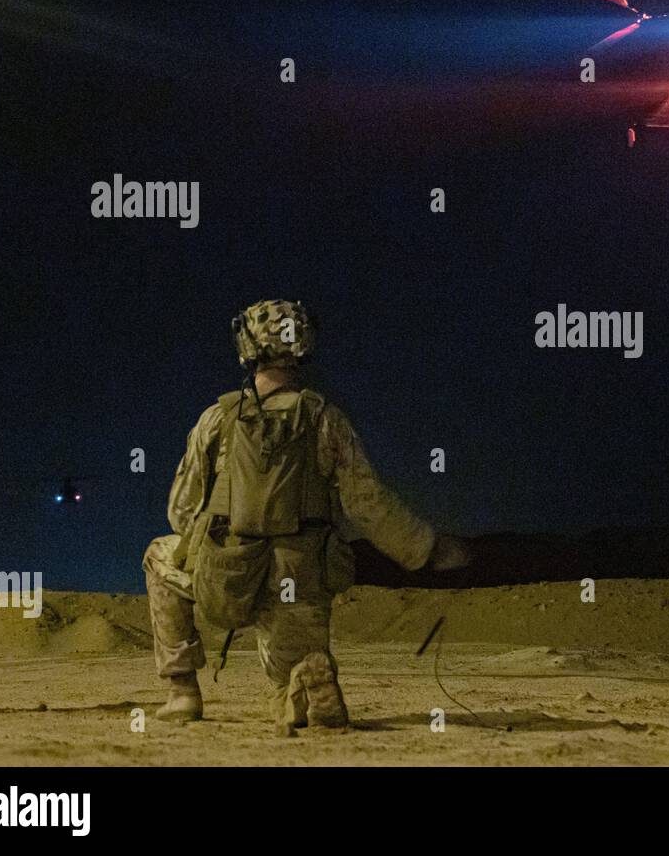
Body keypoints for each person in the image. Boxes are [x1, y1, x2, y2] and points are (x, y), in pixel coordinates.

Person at [142, 299, 467, 730]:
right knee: (289, 669)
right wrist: (426, 548)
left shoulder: (216, 419)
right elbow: (367, 505)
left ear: (247, 344)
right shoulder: (325, 419)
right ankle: (303, 680)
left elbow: (179, 511)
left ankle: (182, 691)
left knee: (157, 555)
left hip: (228, 577)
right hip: (300, 581)